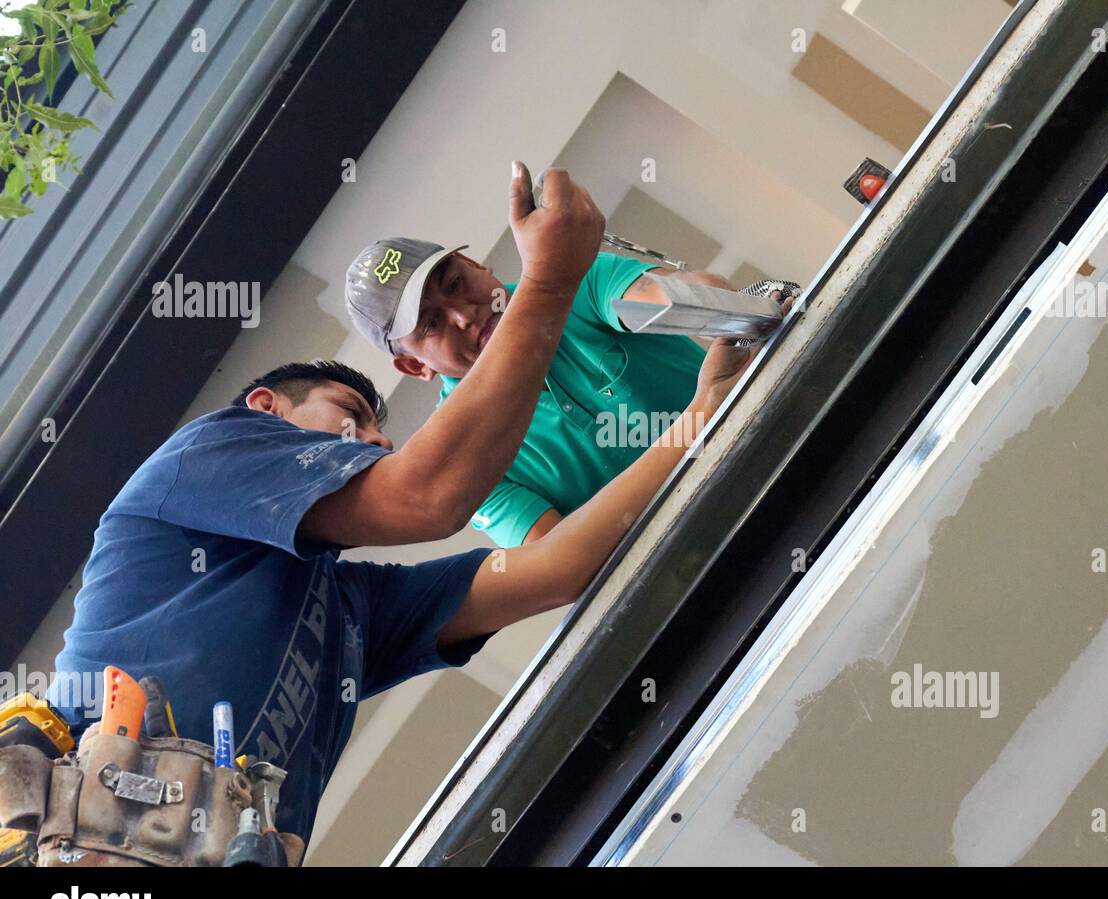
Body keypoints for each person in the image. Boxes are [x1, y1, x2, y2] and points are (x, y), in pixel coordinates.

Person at [48, 163, 758, 847]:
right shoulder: (202, 458)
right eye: (352, 415)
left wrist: (707, 402)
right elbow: (426, 497)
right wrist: (548, 281)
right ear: (266, 407)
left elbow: (560, 568)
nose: (379, 442)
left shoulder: (350, 609)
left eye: (456, 283)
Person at [346, 164, 796, 547]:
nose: (463, 316)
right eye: (430, 324)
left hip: (782, 456)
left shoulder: (579, 284)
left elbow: (692, 298)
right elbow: (558, 555)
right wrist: (699, 420)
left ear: (479, 267)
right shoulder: (463, 449)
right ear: (414, 365)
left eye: (455, 284)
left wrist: (723, 308)